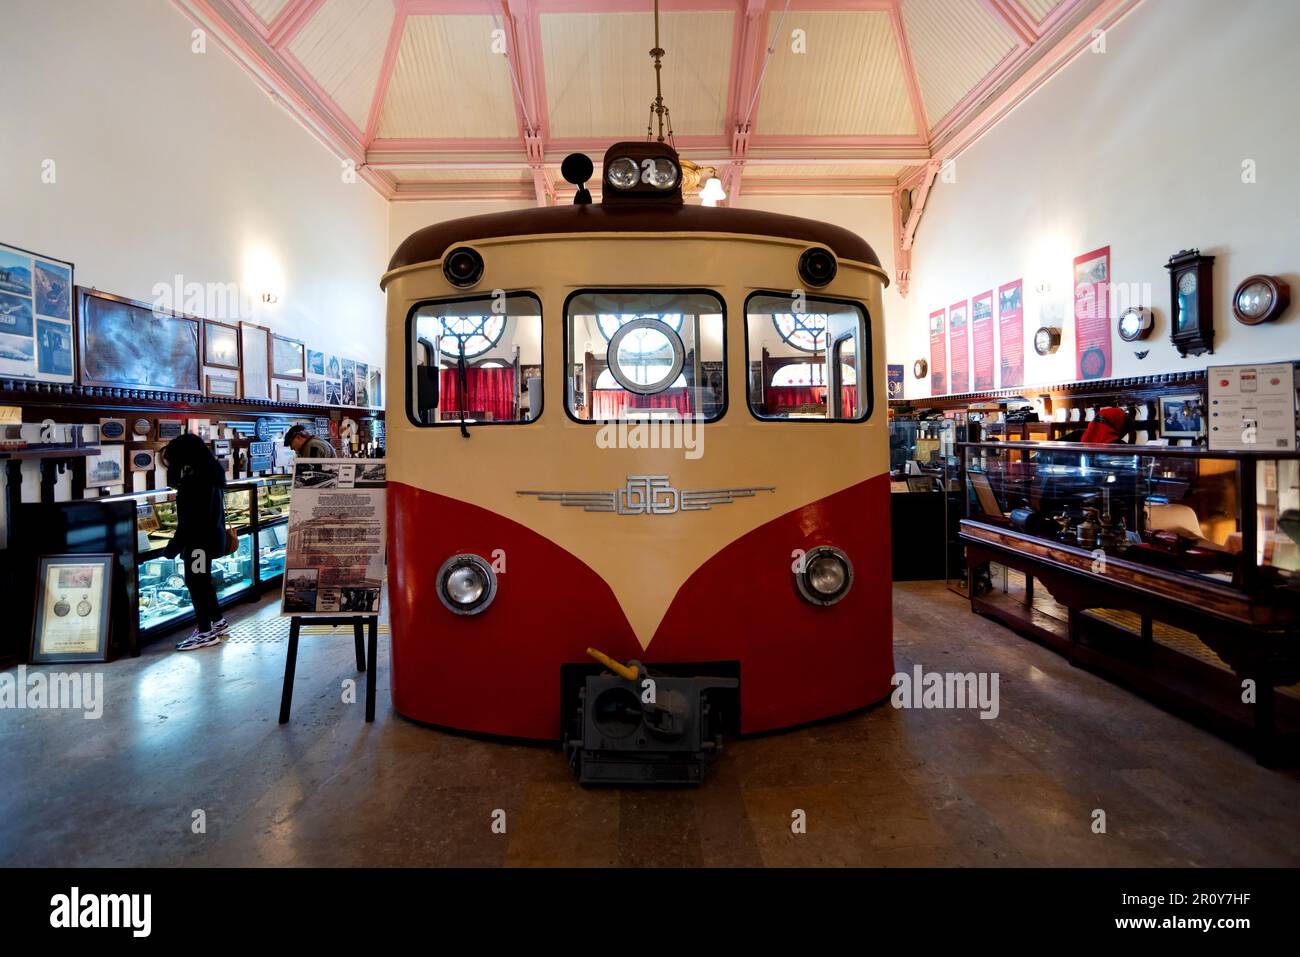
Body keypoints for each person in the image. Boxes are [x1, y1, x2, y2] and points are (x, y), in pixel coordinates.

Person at [160, 433, 230, 651]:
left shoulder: (193, 481)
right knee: (203, 582)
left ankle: (205, 632)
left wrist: (173, 547)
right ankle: (217, 622)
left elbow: (190, 520)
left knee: (196, 583)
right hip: (210, 538)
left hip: (198, 544)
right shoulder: (211, 473)